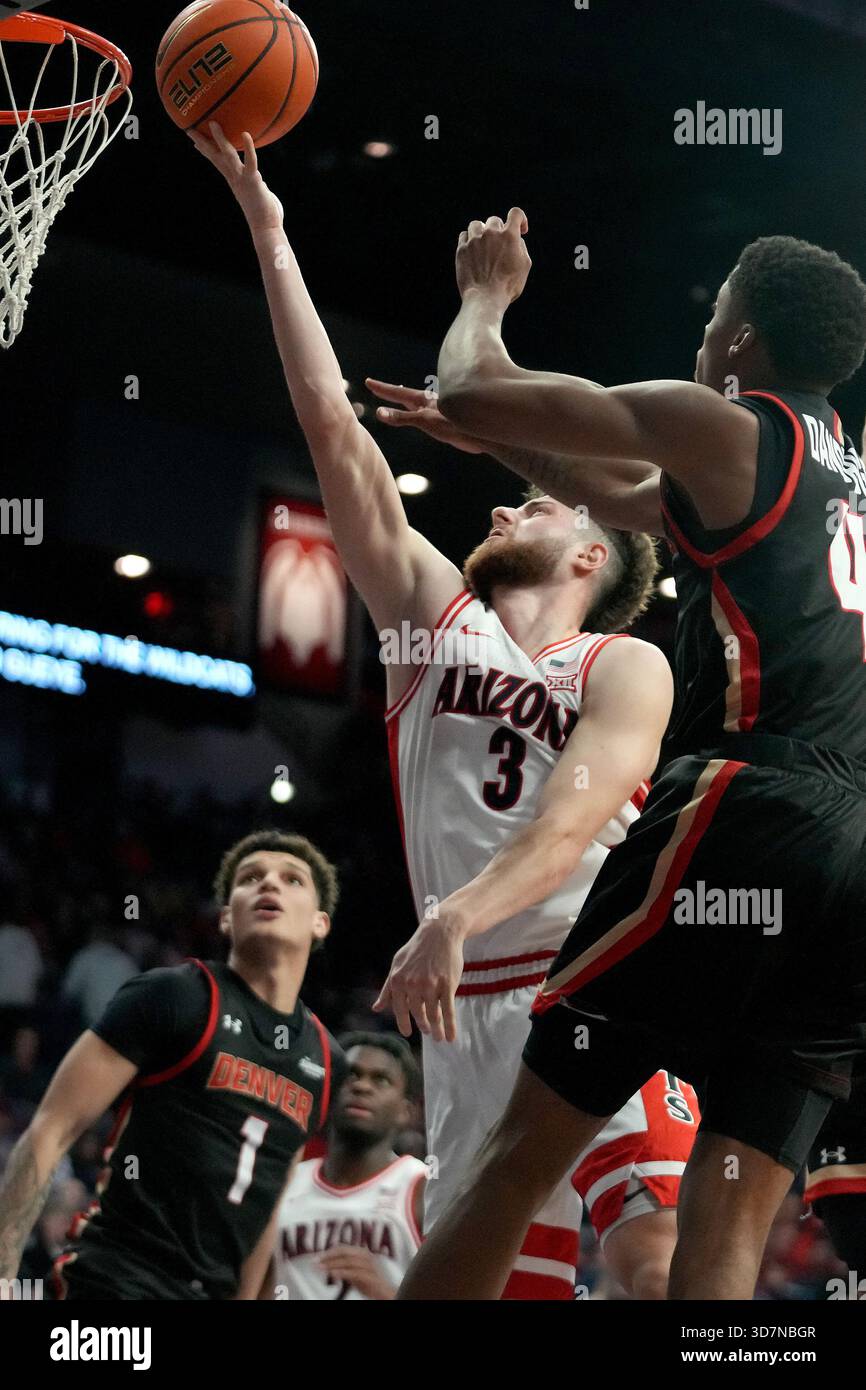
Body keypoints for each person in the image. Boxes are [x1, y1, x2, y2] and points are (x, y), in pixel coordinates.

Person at [189, 122, 701, 1302]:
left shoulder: (621, 662)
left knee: (653, 1262)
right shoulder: (432, 624)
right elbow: (333, 430)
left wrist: (458, 911)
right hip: (459, 1025)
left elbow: (572, 824)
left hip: (589, 976)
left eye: (536, 501)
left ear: (594, 550)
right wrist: (271, 237)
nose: (513, 507)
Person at [392, 211, 866, 1300]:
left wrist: (484, 299)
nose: (705, 336)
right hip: (849, 857)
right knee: (727, 1229)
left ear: (743, 342)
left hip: (753, 804)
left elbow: (474, 383)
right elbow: (606, 486)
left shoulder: (729, 422)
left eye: (714, 319)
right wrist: (497, 442)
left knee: (519, 1157)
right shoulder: (838, 478)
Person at [0, 830, 344, 1300]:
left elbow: (271, 1203)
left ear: (320, 923)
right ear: (226, 917)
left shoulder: (327, 1060)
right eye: (251, 878)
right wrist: (3, 1269)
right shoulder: (175, 995)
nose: (269, 885)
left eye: (292, 880)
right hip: (115, 1280)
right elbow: (50, 1129)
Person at [266, 1033, 426, 1300]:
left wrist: (385, 1293)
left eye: (381, 1080)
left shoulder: (423, 1185)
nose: (362, 1086)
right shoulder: (285, 1182)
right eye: (351, 1075)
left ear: (406, 1112)